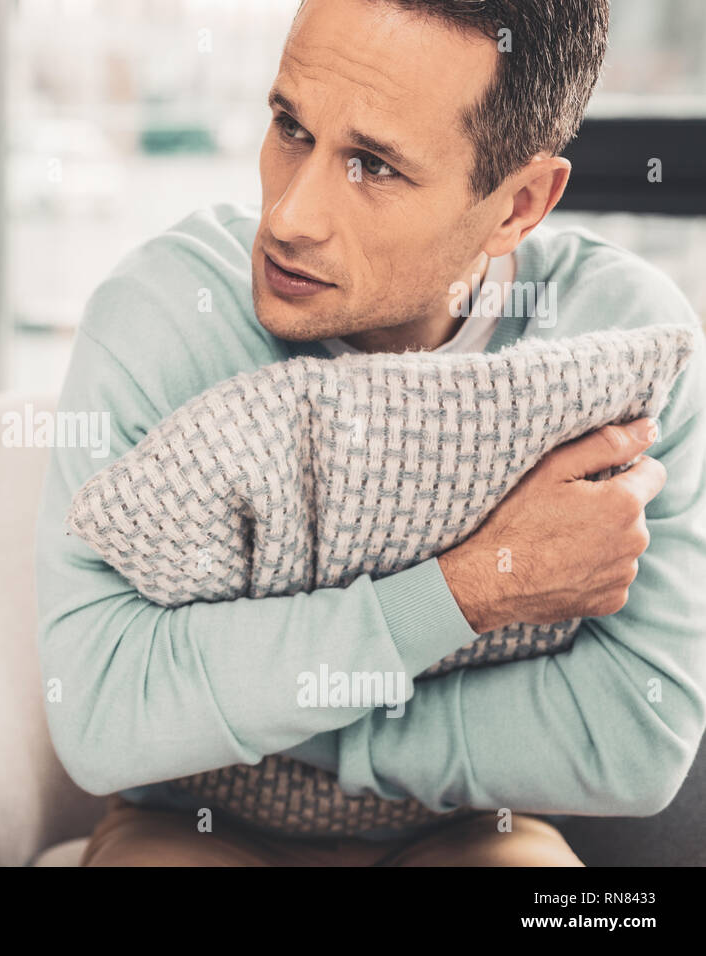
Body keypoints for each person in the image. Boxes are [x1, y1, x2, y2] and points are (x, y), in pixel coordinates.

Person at [35, 0, 706, 865]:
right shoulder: (161, 312)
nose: (289, 217)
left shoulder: (624, 342)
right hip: (188, 825)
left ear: (517, 204)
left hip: (473, 830)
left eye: (374, 166)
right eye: (291, 126)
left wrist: (259, 717)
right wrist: (472, 590)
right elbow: (100, 716)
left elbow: (635, 744)